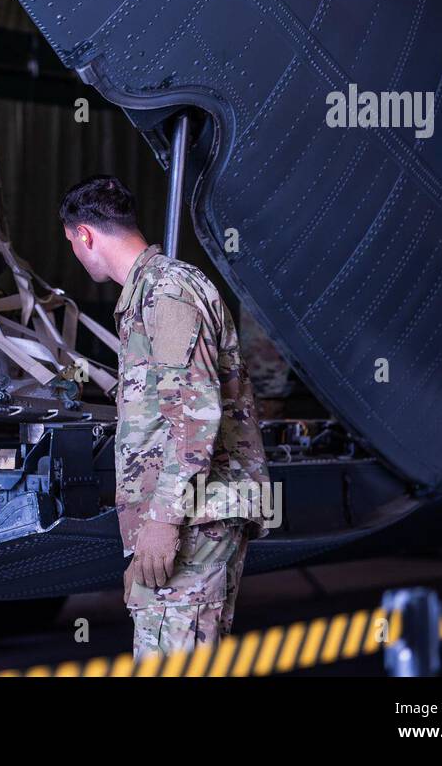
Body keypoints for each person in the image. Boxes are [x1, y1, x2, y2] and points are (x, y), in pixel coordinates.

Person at [59, 175, 272, 661]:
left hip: (193, 519)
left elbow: (195, 414)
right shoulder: (150, 292)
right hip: (185, 517)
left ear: (84, 236)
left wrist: (162, 521)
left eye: (72, 244)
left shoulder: (167, 292)